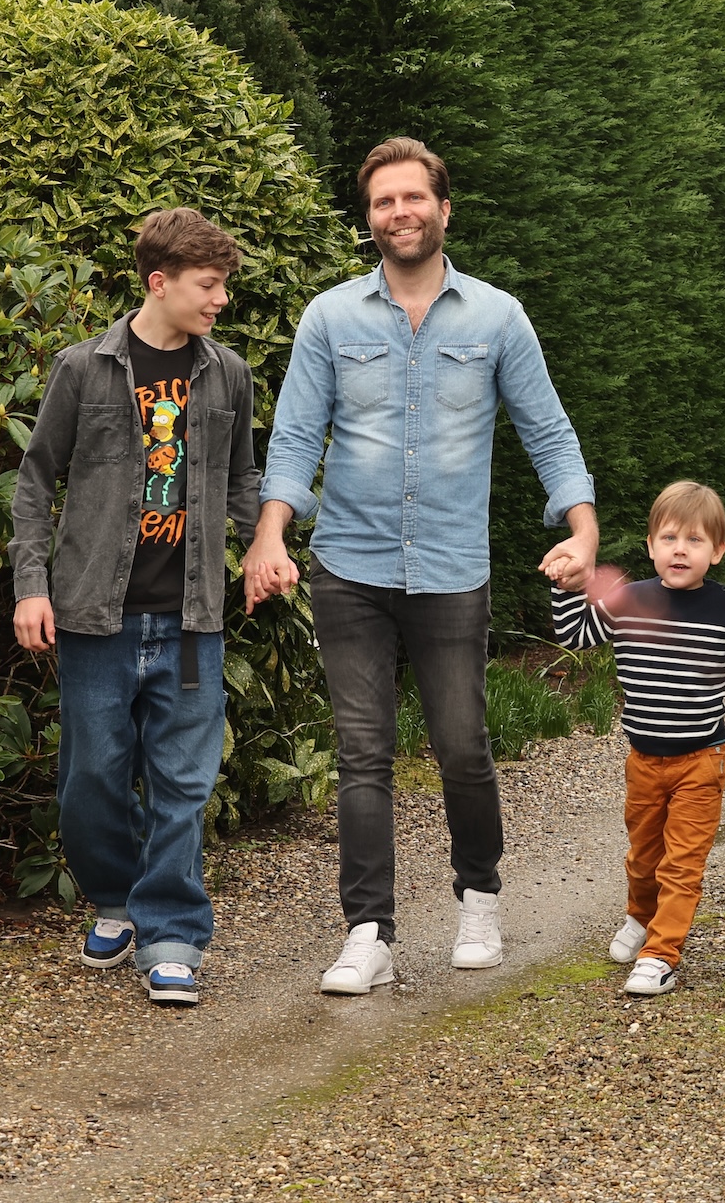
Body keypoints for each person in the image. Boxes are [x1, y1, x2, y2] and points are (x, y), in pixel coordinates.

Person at [244, 137, 599, 996]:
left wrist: (582, 530)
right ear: (369, 219)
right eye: (381, 203)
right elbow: (294, 435)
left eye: (412, 198)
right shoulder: (330, 317)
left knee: (462, 747)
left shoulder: (496, 317)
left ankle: (479, 896)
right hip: (348, 567)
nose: (398, 213)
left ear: (445, 209)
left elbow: (546, 431)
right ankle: (368, 931)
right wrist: (270, 534)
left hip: (449, 569)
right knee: (362, 753)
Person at [10, 208, 261, 1008]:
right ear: (160, 283)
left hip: (192, 618)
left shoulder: (229, 375)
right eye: (208, 285)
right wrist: (30, 585)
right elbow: (33, 482)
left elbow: (244, 481)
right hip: (94, 618)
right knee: (93, 780)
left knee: (184, 784)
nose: (220, 300)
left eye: (222, 285)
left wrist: (267, 547)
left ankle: (173, 934)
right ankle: (117, 898)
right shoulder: (83, 370)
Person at [549, 481, 725, 996]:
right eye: (670, 537)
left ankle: (661, 953)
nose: (681, 549)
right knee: (643, 854)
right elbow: (576, 636)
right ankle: (641, 917)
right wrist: (567, 585)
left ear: (719, 551)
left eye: (695, 540)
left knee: (683, 863)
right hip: (643, 758)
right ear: (651, 545)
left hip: (702, 758)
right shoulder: (629, 599)